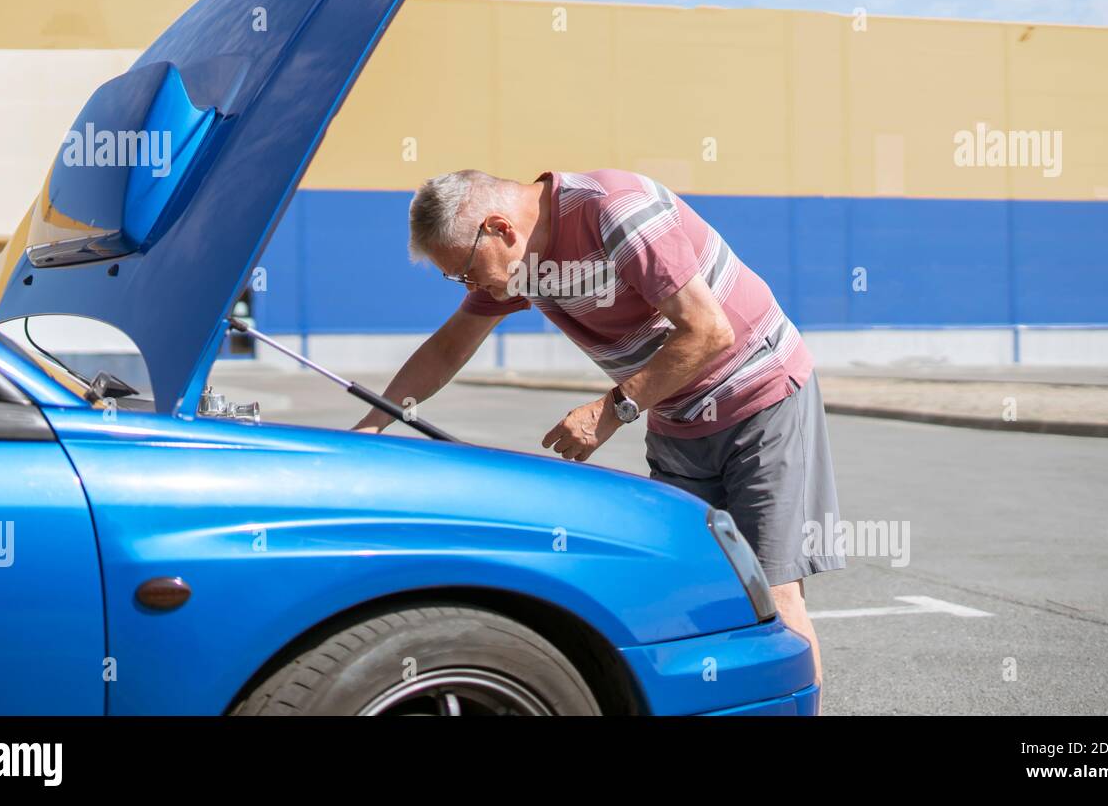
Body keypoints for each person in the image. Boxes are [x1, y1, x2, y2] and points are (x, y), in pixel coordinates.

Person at [352, 168, 844, 686]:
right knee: (698, 591)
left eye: (467, 272)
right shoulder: (520, 264)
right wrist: (374, 422)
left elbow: (709, 331)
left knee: (772, 591)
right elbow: (449, 346)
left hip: (760, 396)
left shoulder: (615, 210)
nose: (472, 286)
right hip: (677, 417)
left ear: (499, 228)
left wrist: (608, 413)